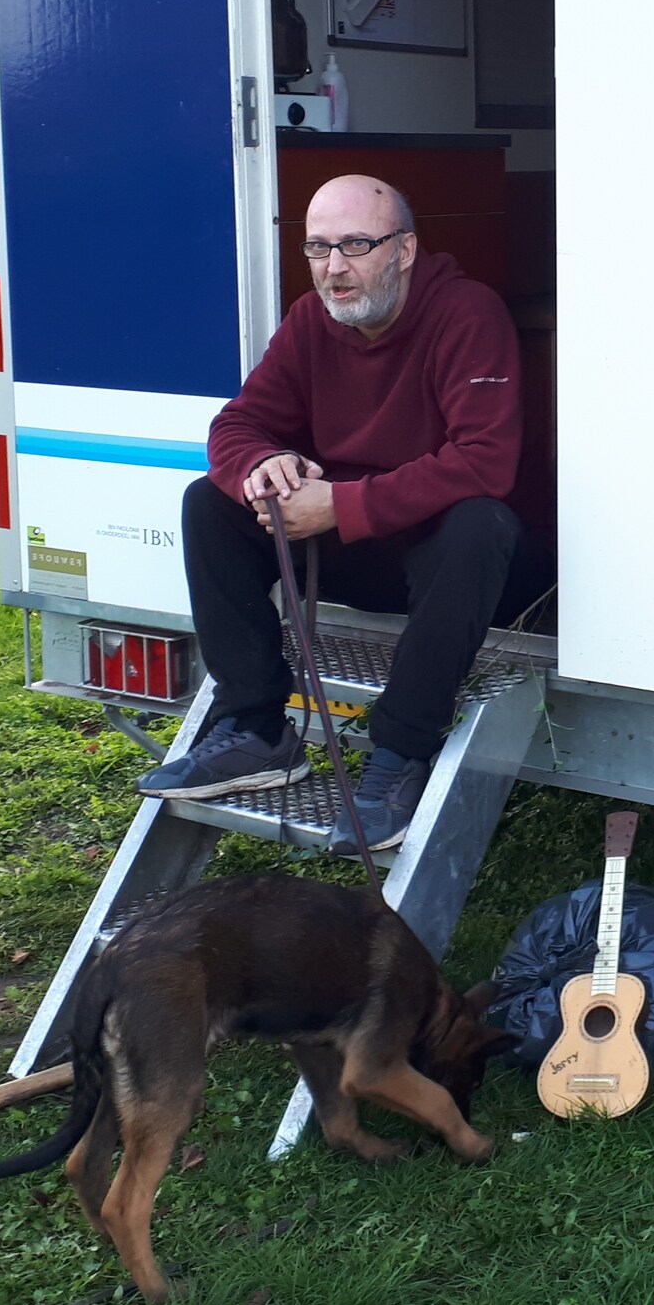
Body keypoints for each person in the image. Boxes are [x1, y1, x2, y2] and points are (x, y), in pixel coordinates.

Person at [142, 174, 552, 854]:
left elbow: (485, 461)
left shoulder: (467, 314)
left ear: (406, 248)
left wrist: (339, 503)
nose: (335, 268)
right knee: (210, 502)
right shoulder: (311, 321)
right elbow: (238, 424)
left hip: (470, 570)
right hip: (363, 548)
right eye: (319, 249)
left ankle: (399, 756)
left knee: (480, 521)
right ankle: (257, 730)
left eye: (357, 245)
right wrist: (260, 467)